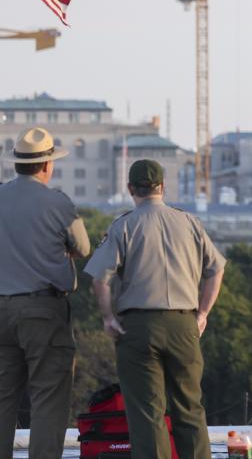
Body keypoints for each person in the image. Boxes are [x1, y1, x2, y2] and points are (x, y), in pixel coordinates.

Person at [84, 159, 225, 459]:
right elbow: (216, 269)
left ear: (130, 188)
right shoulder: (189, 222)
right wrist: (203, 313)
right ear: (162, 187)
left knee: (148, 413)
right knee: (190, 408)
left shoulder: (123, 225)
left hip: (139, 328)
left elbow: (100, 279)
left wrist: (108, 318)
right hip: (184, 324)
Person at [0, 127, 91, 459]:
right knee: (48, 401)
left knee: (2, 401)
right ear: (46, 166)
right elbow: (82, 247)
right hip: (43, 313)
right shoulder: (56, 202)